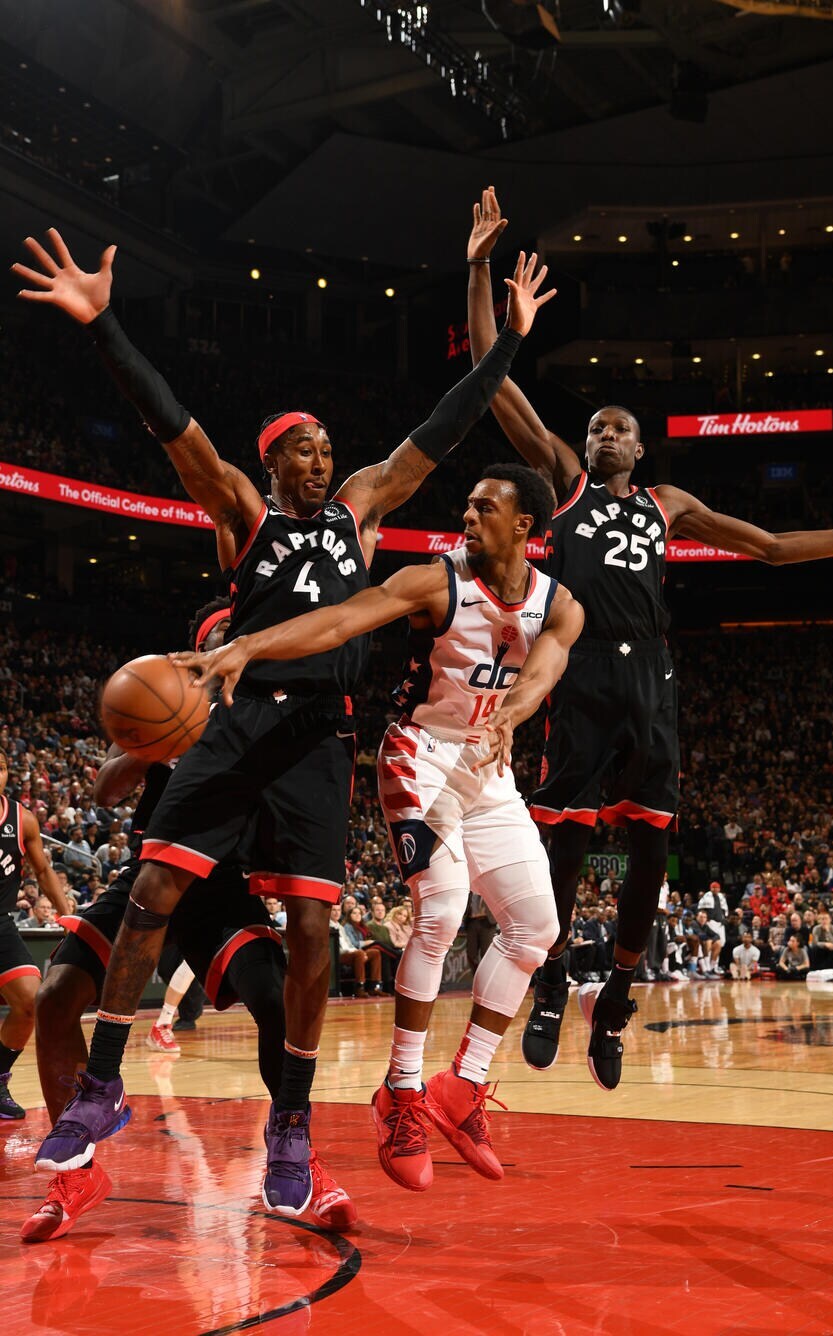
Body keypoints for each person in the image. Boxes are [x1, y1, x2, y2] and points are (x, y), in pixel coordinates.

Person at [16, 228, 553, 1212]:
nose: (325, 457)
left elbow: (439, 427)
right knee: (149, 898)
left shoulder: (359, 513)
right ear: (273, 463)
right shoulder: (242, 515)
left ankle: (293, 1130)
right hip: (239, 721)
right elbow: (170, 423)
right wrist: (105, 326)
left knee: (312, 929)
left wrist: (506, 344)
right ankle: (99, 1090)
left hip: (321, 731)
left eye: (327, 447)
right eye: (305, 447)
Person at [465, 184, 833, 1089]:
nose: (602, 435)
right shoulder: (566, 484)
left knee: (651, 850)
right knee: (565, 844)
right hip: (574, 676)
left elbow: (772, 548)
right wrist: (478, 277)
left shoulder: (670, 506)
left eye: (616, 428)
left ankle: (615, 1001)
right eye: (593, 428)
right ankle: (550, 984)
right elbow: (490, 383)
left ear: (642, 448)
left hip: (650, 682)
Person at [173, 462, 583, 1190]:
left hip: (488, 772)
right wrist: (249, 644)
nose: (467, 515)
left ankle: (461, 1089)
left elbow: (543, 671)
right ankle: (399, 1092)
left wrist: (511, 719)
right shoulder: (435, 581)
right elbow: (341, 618)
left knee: (536, 929)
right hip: (417, 755)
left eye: (484, 508)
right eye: (466, 502)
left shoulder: (559, 604)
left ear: (525, 526)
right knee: (443, 909)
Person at [20, 600, 356, 1242]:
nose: (234, 645)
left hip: (221, 886)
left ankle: (299, 1155)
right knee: (55, 995)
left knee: (275, 1002)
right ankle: (79, 1171)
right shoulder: (179, 713)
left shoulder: (272, 722)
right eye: (222, 638)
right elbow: (104, 790)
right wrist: (159, 742)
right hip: (151, 873)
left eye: (243, 637)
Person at [0, 749, 69, 1119]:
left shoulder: (21, 818)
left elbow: (43, 871)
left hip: (0, 923)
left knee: (30, 1003)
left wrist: (66, 911)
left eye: (1, 768)